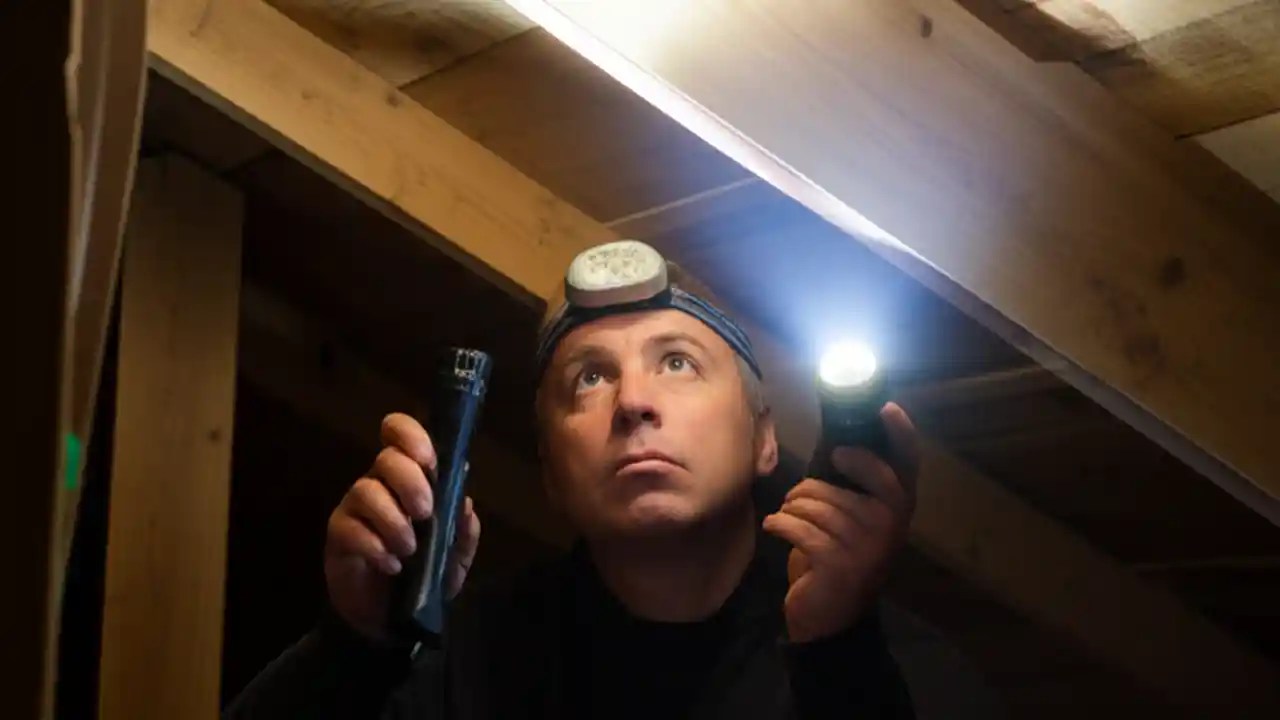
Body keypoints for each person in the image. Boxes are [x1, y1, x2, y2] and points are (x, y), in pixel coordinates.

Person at [226, 240, 919, 719]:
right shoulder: (472, 668)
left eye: (676, 362)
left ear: (765, 437)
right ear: (549, 469)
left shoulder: (899, 661)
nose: (633, 402)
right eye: (590, 377)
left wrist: (838, 652)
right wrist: (353, 645)